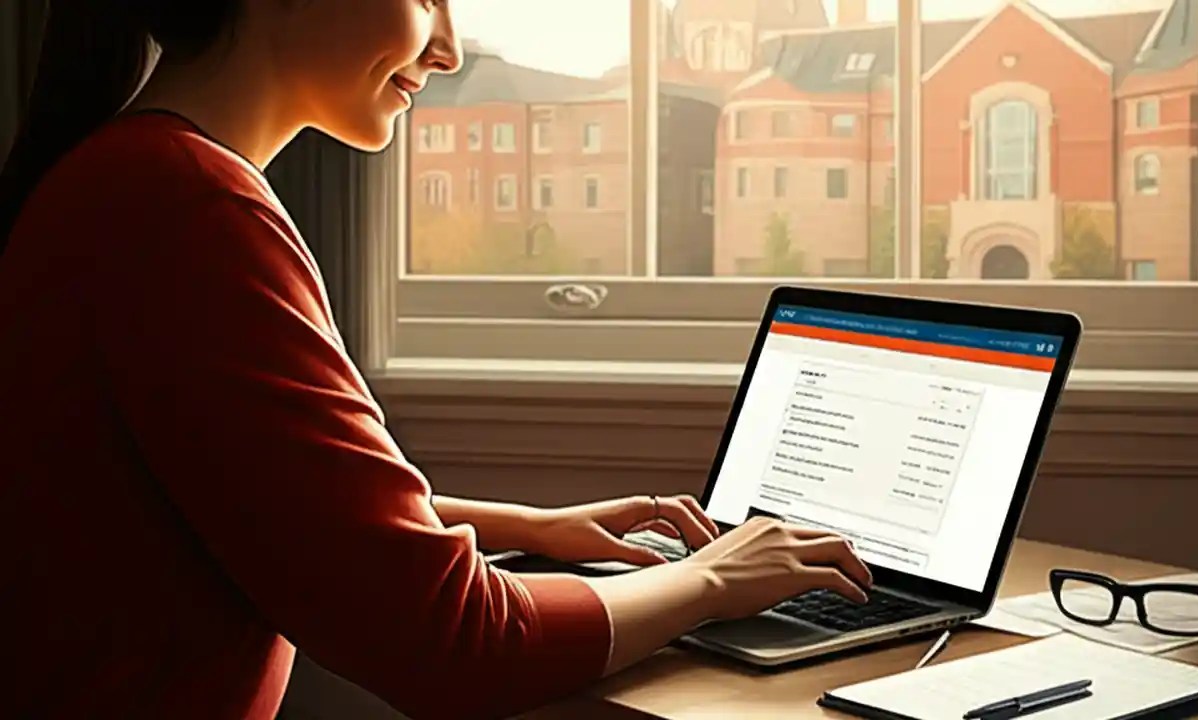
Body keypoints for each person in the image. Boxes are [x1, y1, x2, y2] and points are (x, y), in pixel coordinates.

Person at [0, 2, 872, 718]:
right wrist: (710, 577)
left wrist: (525, 527)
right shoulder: (188, 210)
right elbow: (456, 648)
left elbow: (253, 501)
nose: (450, 48)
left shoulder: (127, 178)